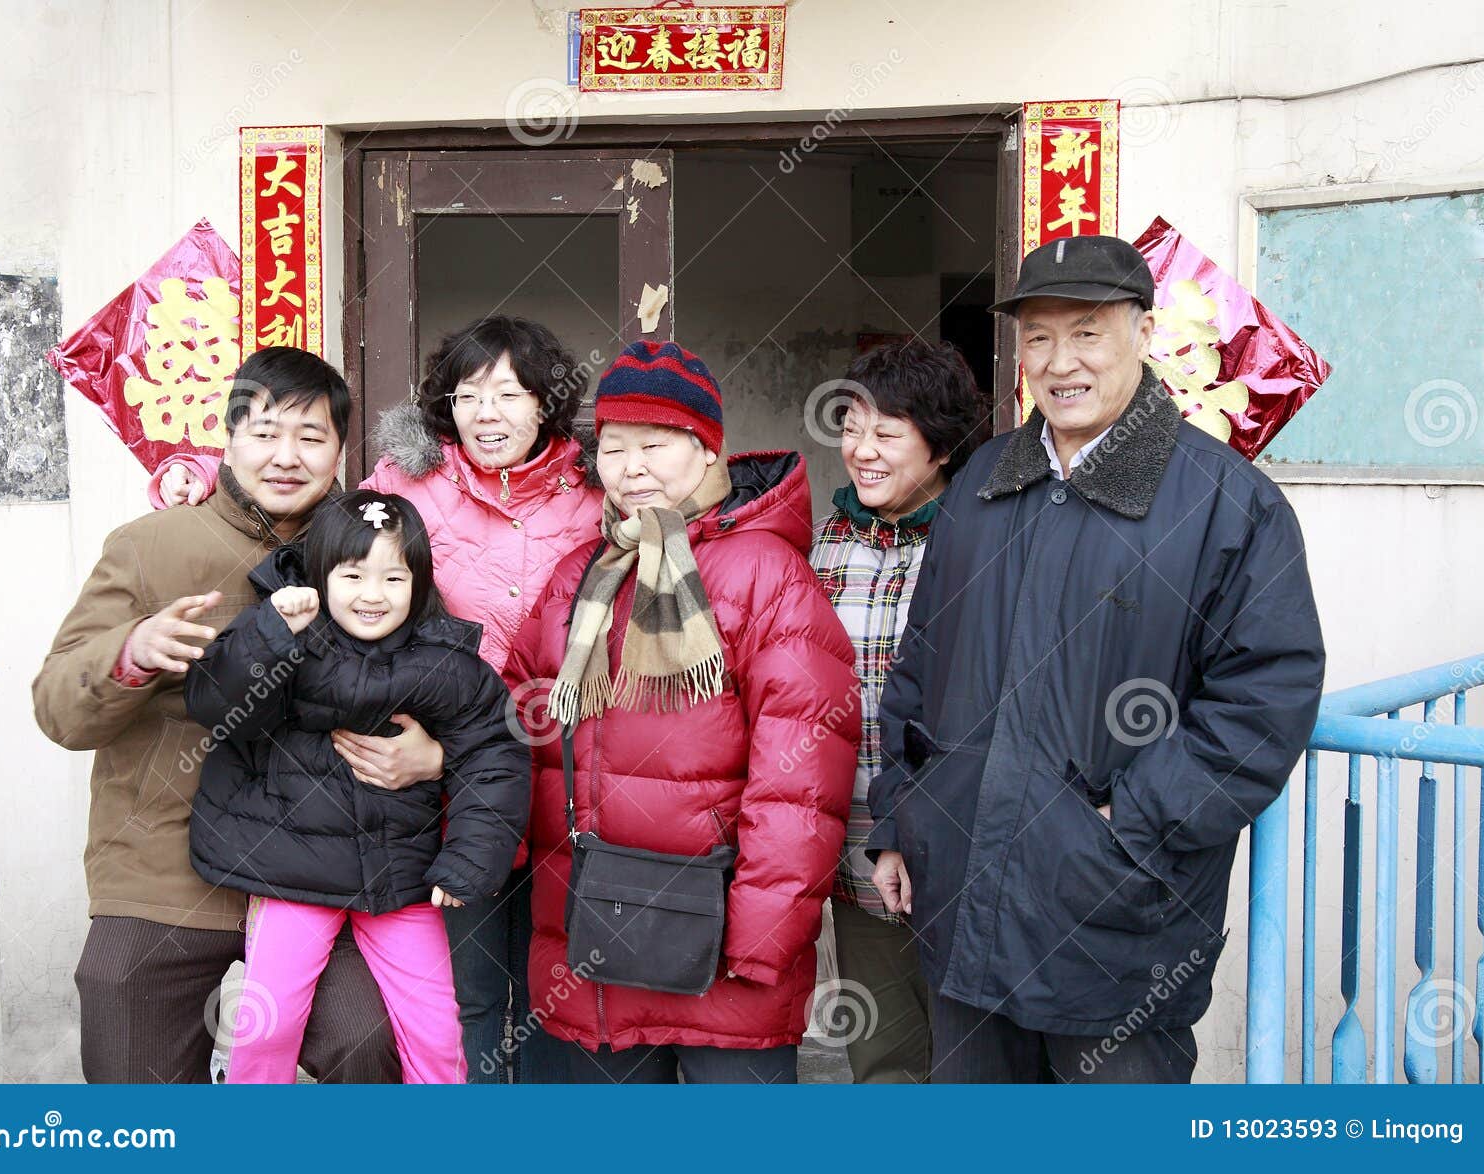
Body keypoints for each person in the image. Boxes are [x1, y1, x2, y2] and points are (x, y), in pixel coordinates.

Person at [866, 235, 1326, 1083]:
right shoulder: (983, 485)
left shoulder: (1227, 503)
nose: (1059, 362)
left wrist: (1132, 823)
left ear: (1143, 334)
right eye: (1038, 337)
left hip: (1115, 923)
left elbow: (1265, 699)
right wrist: (900, 819)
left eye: (1086, 332)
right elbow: (921, 661)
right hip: (965, 901)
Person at [147, 316, 603, 1082]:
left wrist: (449, 764)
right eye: (468, 395)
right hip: (406, 815)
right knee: (462, 997)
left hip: (561, 775)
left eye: (510, 394)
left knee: (557, 1001)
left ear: (546, 402)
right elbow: (321, 532)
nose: (487, 413)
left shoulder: (597, 492)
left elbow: (491, 746)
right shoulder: (400, 487)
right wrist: (194, 480)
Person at [32, 347, 406, 1083]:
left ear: (340, 451)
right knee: (129, 1064)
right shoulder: (149, 547)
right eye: (265, 432)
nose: (286, 457)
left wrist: (428, 751)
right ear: (228, 438)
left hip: (320, 873)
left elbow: (438, 679)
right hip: (164, 866)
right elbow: (59, 710)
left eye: (312, 436)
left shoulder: (372, 553)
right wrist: (132, 652)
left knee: (366, 1042)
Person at [503, 340, 859, 1084]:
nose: (630, 469)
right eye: (615, 447)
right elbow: (518, 730)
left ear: (706, 451)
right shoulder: (582, 575)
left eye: (655, 446)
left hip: (721, 953)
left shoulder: (765, 572)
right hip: (595, 942)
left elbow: (801, 779)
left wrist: (761, 942)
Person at [185, 490, 530, 1083]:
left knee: (438, 1027)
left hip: (401, 879)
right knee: (267, 1022)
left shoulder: (445, 663)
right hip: (289, 869)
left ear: (418, 584)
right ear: (321, 573)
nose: (373, 595)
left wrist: (470, 860)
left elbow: (495, 756)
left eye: (394, 577)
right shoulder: (286, 636)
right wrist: (270, 632)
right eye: (353, 575)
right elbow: (216, 701)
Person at [808, 338, 990, 1082]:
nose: (862, 450)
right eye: (853, 427)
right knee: (883, 1060)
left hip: (959, 850)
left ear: (940, 446)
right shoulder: (826, 544)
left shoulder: (983, 543)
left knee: (977, 1061)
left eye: (888, 432)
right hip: (854, 853)